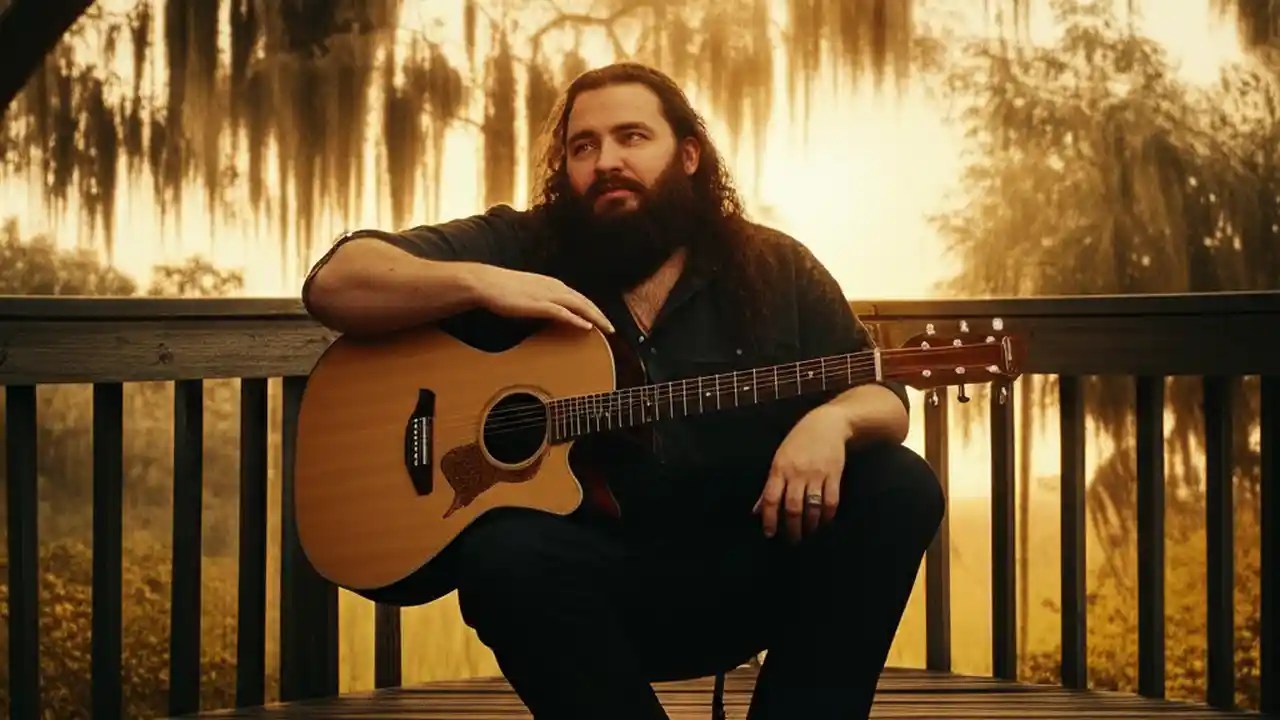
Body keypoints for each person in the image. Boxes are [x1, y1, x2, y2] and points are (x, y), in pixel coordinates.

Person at [302, 61, 945, 720]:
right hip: (594, 594)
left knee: (900, 484)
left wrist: (831, 424)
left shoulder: (774, 267)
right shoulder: (524, 246)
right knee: (503, 554)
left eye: (632, 137)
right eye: (584, 146)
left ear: (688, 154)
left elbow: (883, 397)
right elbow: (336, 281)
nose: (606, 160)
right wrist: (481, 283)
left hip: (748, 569)